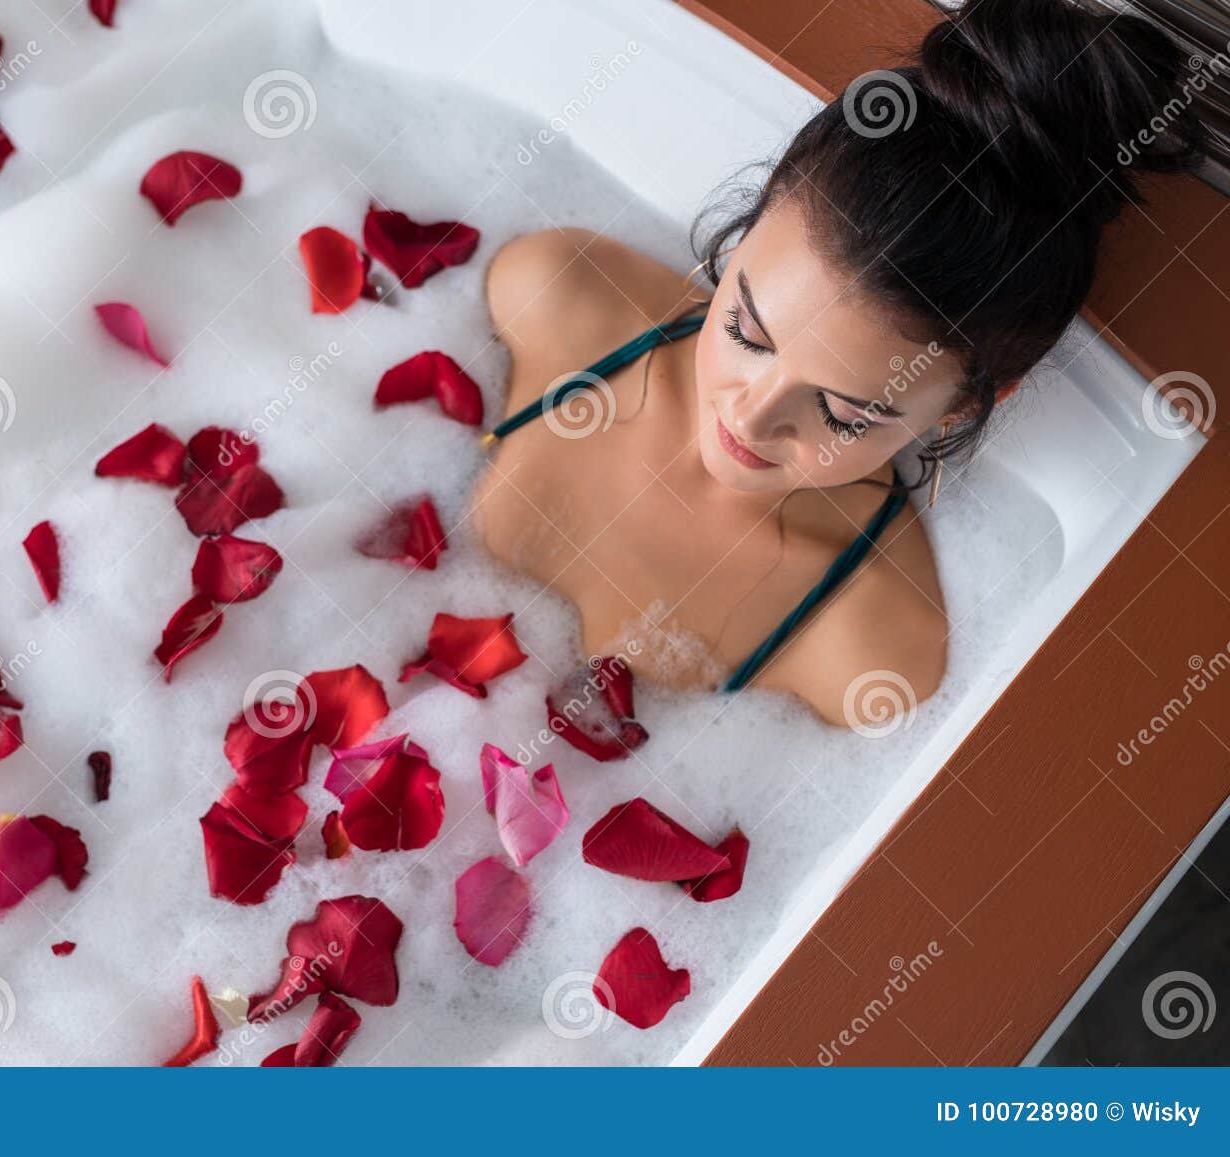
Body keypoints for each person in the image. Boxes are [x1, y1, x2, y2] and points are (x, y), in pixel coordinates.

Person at [474, 0, 1205, 726]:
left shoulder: (867, 644)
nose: (749, 413)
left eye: (843, 411)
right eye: (747, 329)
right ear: (754, 222)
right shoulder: (558, 293)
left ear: (966, 406)